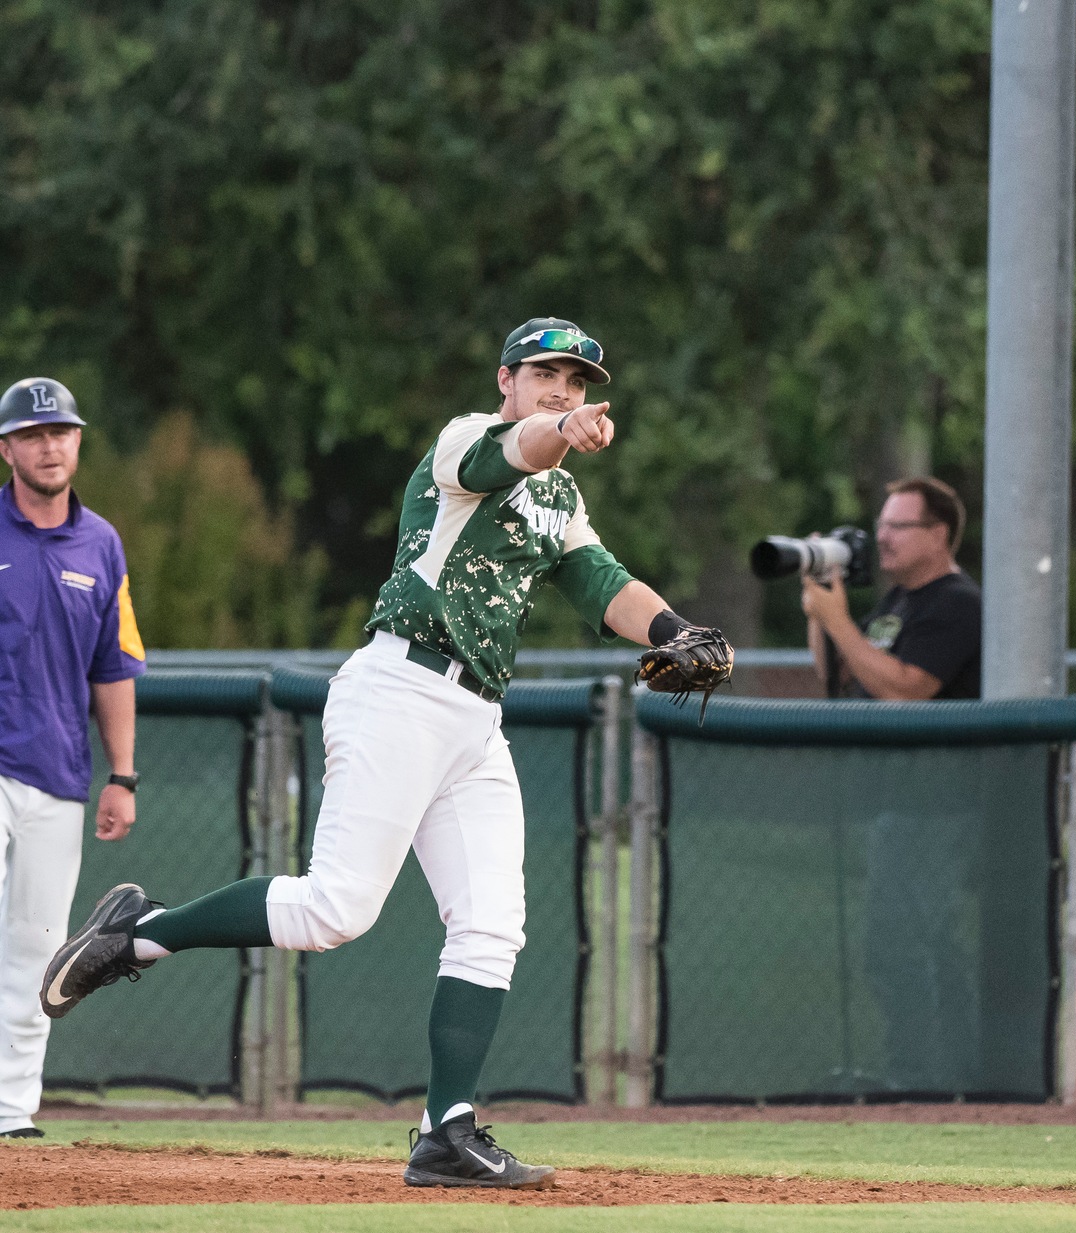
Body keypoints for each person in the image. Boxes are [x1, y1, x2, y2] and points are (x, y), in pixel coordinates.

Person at [41, 319, 730, 1189]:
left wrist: (679, 629)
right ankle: (141, 934)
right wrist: (560, 430)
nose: (563, 388)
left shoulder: (561, 503)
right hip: (401, 689)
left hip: (476, 719)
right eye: (546, 373)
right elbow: (509, 452)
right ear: (506, 379)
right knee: (334, 910)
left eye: (578, 380)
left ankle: (448, 1131)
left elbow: (600, 580)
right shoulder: (465, 442)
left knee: (491, 924)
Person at [0, 377, 145, 1139]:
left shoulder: (103, 543)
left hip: (59, 776)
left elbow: (113, 665)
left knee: (36, 950)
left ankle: (11, 1111)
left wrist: (120, 774)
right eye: (31, 434)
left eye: (60, 431)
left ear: (78, 441)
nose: (48, 445)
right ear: (7, 449)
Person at [803, 477, 981, 699]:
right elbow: (839, 673)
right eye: (881, 525)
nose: (881, 537)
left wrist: (837, 622)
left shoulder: (959, 603)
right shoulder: (899, 597)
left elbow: (906, 692)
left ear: (938, 535)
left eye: (897, 527)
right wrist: (819, 603)